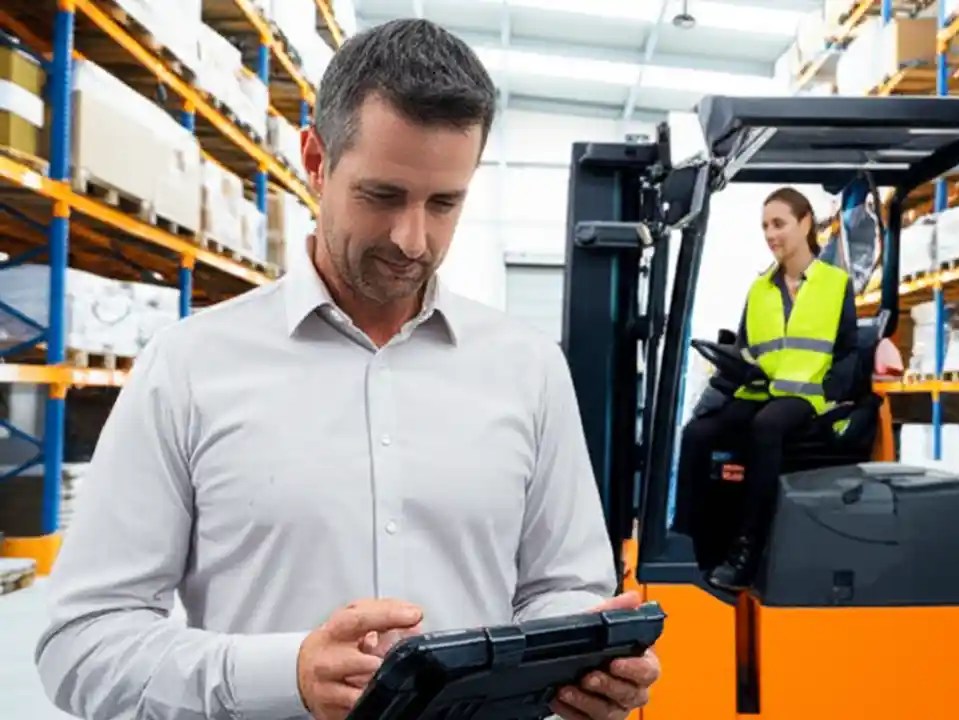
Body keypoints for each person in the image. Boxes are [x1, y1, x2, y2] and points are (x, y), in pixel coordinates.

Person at [34, 18, 659, 720]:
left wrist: (588, 661)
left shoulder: (529, 368)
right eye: (382, 195)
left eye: (444, 203)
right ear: (316, 159)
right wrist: (284, 674)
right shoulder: (188, 368)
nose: (412, 239)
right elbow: (81, 645)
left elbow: (563, 588)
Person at [677, 187, 860, 592]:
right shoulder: (759, 289)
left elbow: (847, 348)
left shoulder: (835, 284)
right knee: (698, 433)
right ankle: (689, 541)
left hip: (807, 395)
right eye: (765, 226)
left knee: (766, 427)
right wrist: (723, 386)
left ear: (806, 223)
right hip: (761, 391)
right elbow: (745, 348)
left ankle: (747, 550)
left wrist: (832, 389)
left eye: (779, 224)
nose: (771, 234)